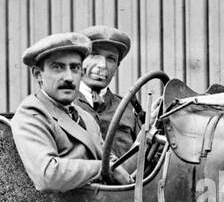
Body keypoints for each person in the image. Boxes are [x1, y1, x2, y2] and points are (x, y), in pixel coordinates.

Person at [12, 32, 130, 191]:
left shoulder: (86, 118)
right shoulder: (32, 113)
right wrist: (104, 168)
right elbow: (47, 176)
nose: (69, 77)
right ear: (38, 74)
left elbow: (116, 166)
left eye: (74, 68)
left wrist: (145, 140)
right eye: (58, 67)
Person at [77, 25, 137, 159]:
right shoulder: (62, 104)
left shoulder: (128, 108)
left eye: (111, 59)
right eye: (94, 55)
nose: (102, 66)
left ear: (117, 67)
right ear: (78, 62)